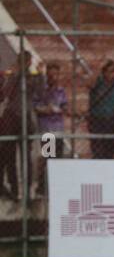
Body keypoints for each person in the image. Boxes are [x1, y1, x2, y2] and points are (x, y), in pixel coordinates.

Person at [0, 51, 35, 198]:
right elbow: (5, 94)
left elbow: (38, 93)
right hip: (14, 120)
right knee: (9, 155)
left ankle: (36, 189)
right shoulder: (13, 77)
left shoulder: (33, 79)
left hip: (49, 130)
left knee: (41, 157)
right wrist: (14, 76)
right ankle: (14, 189)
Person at [34, 62, 69, 196]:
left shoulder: (60, 90)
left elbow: (64, 105)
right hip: (47, 129)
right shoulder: (42, 90)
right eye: (52, 74)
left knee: (57, 157)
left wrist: (64, 109)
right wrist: (46, 109)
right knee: (48, 156)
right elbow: (36, 106)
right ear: (48, 74)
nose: (54, 77)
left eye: (56, 74)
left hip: (58, 128)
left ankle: (55, 185)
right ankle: (42, 187)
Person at [87, 59, 114, 161]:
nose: (111, 74)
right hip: (97, 120)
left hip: (110, 120)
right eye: (108, 71)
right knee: (97, 150)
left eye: (113, 71)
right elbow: (89, 84)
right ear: (103, 72)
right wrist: (98, 68)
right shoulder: (98, 81)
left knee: (110, 150)